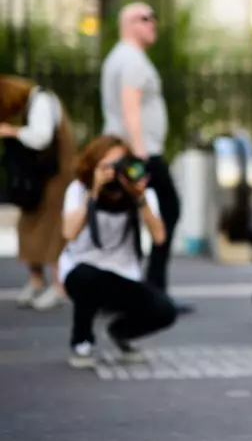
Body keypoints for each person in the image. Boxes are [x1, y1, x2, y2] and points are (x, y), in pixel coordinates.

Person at [100, 2, 194, 315]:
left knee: (128, 220)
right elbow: (130, 106)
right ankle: (154, 292)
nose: (153, 22)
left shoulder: (120, 56)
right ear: (127, 23)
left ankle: (132, 292)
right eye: (145, 18)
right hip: (140, 152)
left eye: (154, 17)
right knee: (167, 212)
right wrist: (140, 153)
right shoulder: (131, 60)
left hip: (127, 151)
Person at [60, 135, 177, 368]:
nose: (113, 172)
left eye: (119, 164)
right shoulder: (79, 189)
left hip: (123, 276)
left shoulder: (139, 194)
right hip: (81, 271)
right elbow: (69, 232)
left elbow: (160, 237)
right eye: (107, 166)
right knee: (86, 276)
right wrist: (93, 193)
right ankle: (82, 340)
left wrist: (140, 198)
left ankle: (121, 333)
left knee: (165, 310)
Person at [0, 75, 76, 311]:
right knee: (30, 224)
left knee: (53, 228)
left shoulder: (42, 100)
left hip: (56, 175)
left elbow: (41, 137)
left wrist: (12, 132)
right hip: (42, 177)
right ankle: (36, 280)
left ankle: (58, 284)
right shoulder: (35, 102)